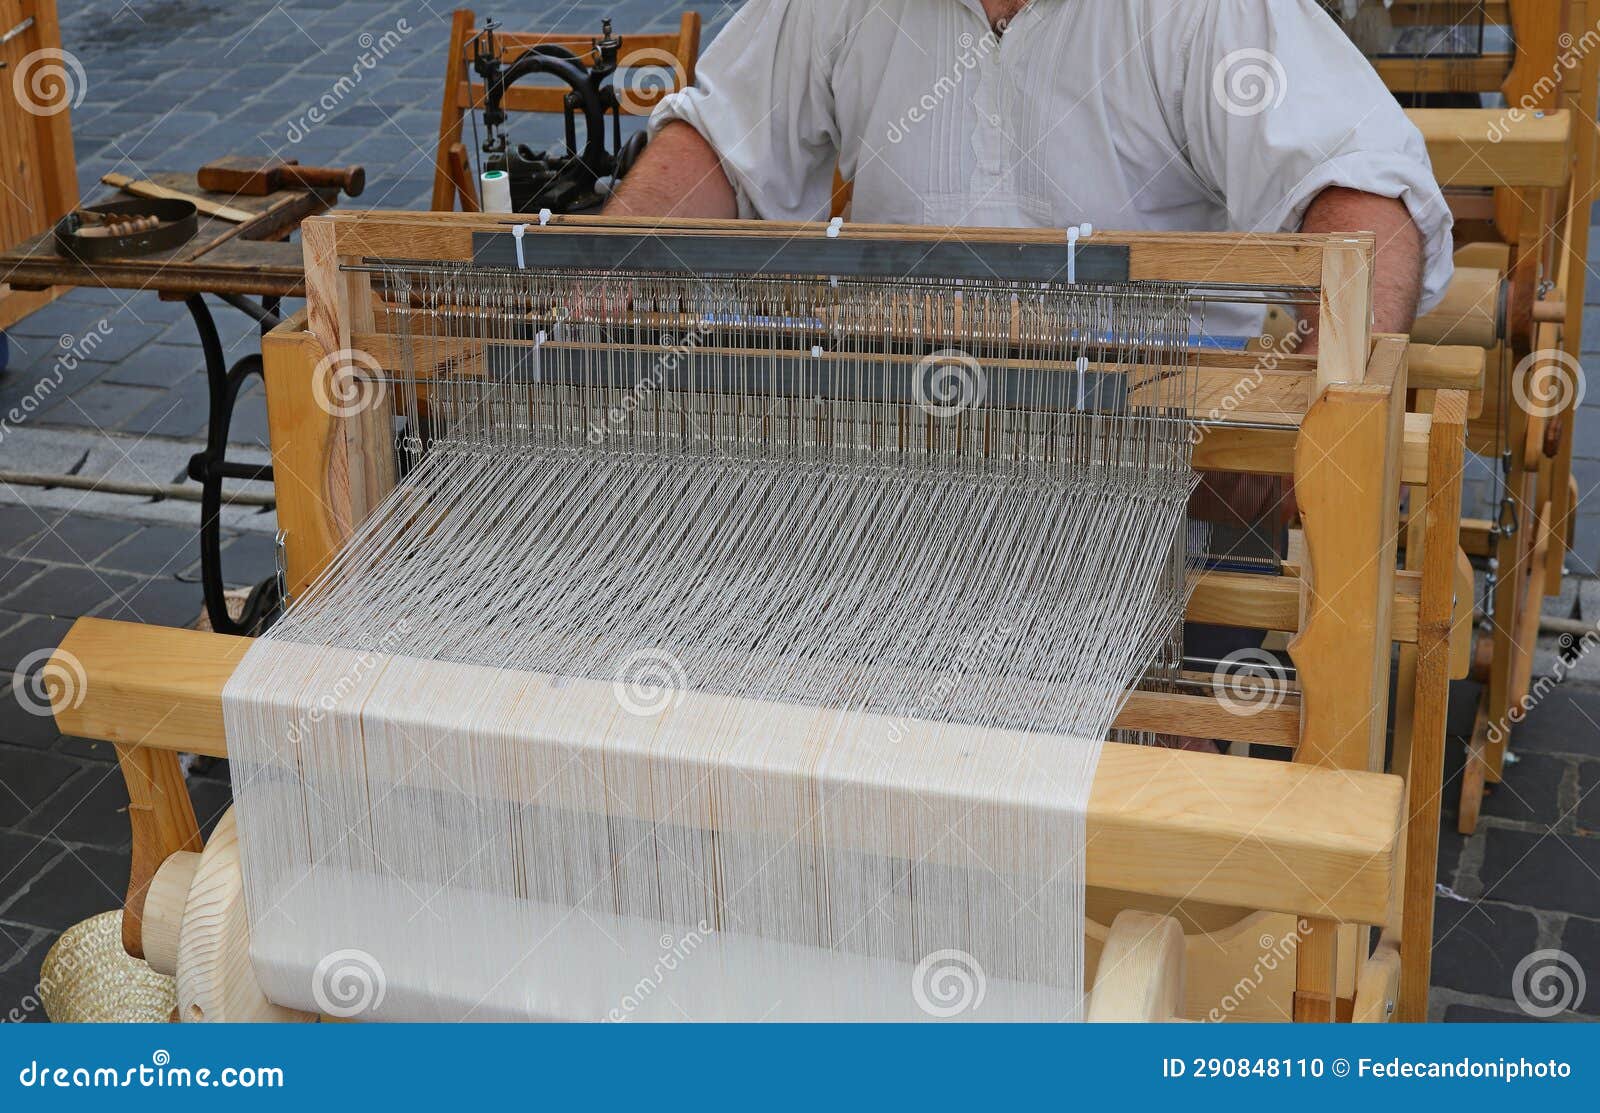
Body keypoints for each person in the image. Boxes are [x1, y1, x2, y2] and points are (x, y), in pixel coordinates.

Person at [607, 0, 1452, 351]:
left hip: (1159, 459)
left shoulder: (1204, 13)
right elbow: (718, 142)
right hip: (889, 432)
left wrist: (1322, 409)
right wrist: (607, 278)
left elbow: (1362, 192)